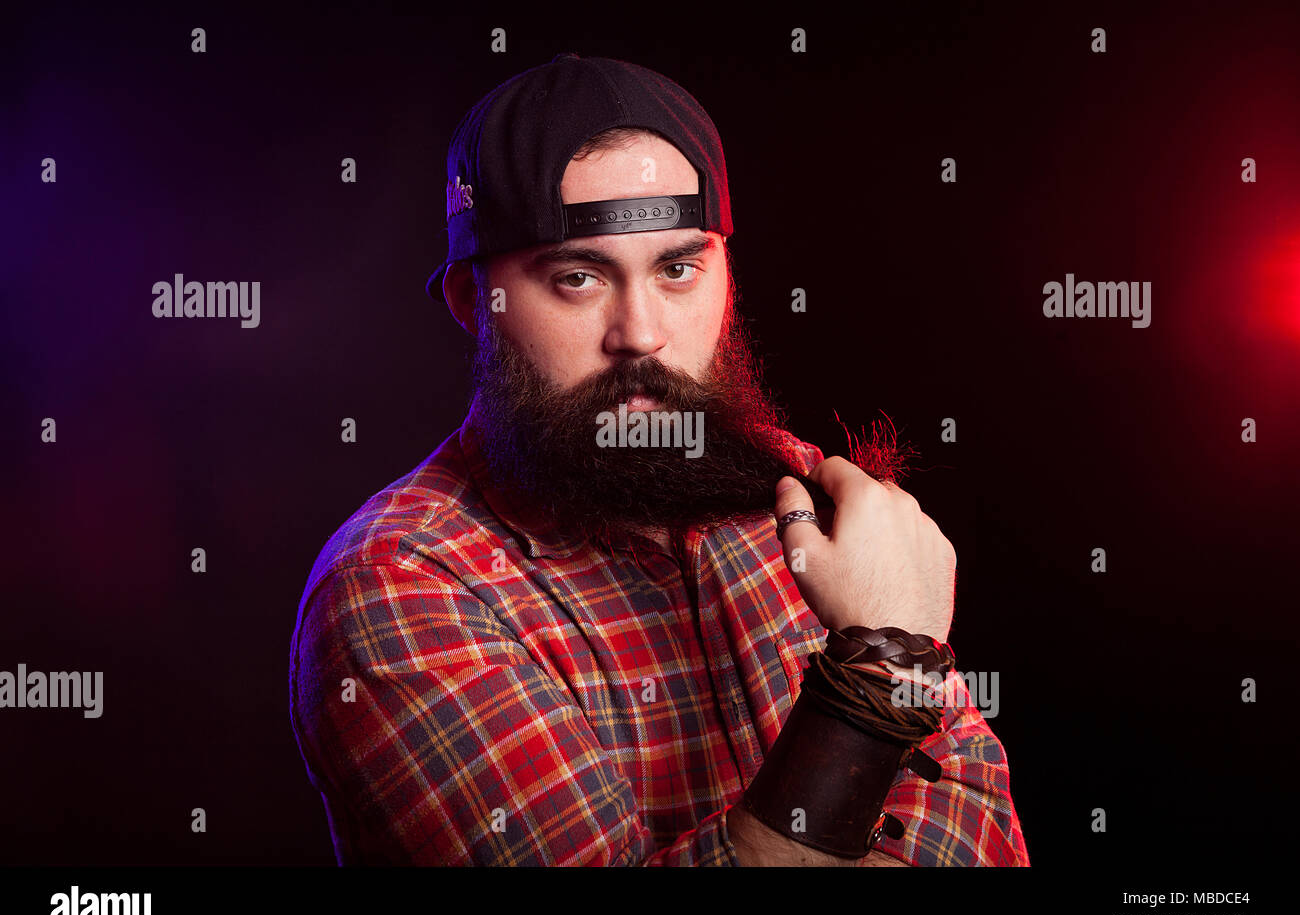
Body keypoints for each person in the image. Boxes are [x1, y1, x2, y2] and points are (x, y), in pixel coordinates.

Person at [289, 52, 1029, 866]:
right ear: (476, 304)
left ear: (725, 275)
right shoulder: (402, 587)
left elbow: (976, 817)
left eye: (678, 268)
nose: (641, 332)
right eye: (577, 276)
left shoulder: (797, 489)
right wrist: (880, 669)